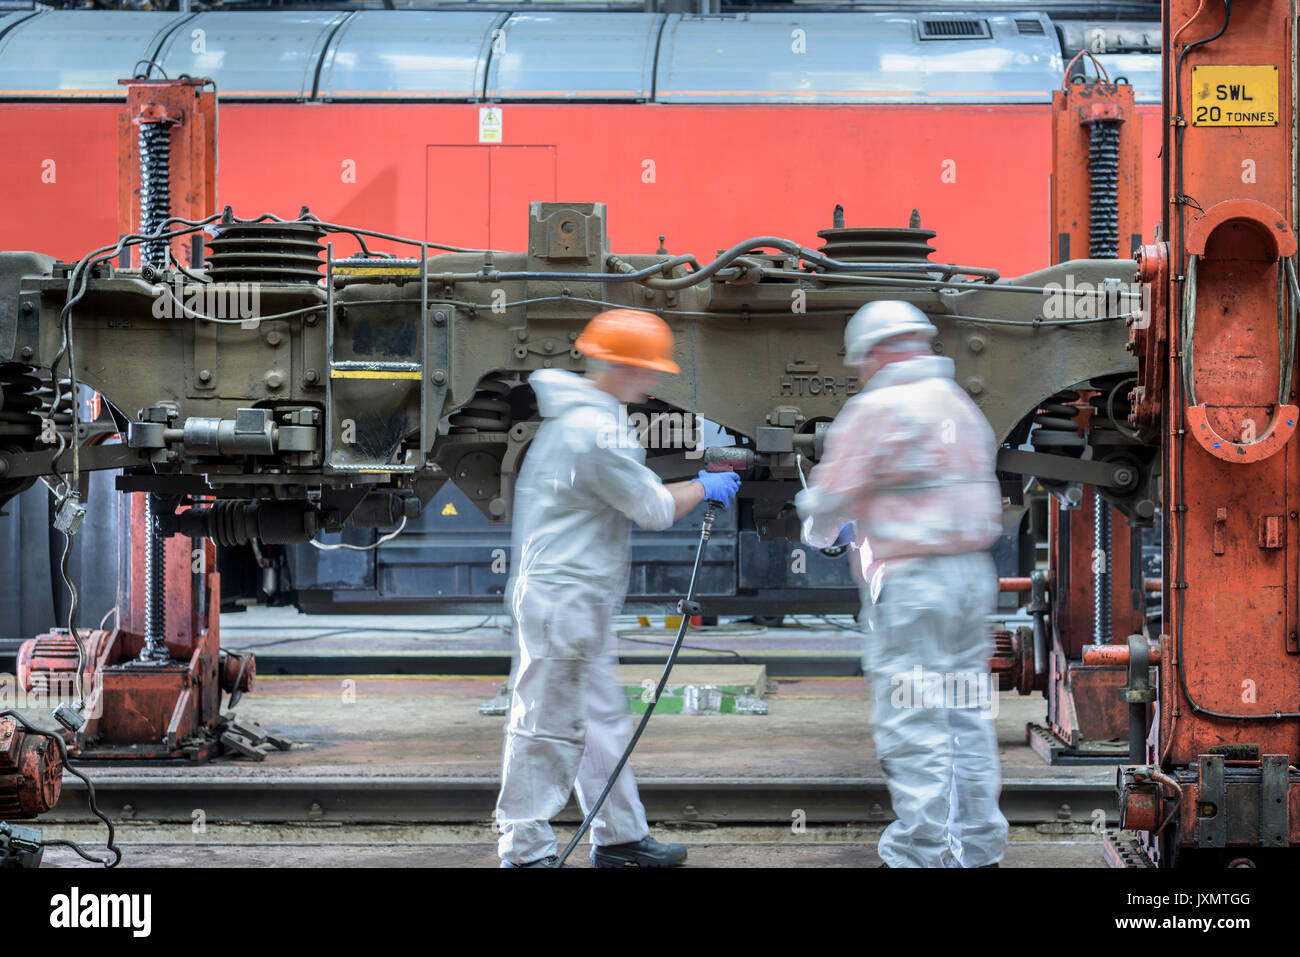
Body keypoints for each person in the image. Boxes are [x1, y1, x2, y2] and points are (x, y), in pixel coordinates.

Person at [496, 308, 741, 868]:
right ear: (623, 367)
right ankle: (526, 853)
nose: (655, 381)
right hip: (567, 599)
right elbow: (652, 507)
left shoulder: (581, 417)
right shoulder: (596, 428)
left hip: (576, 600)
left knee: (600, 719)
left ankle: (622, 840)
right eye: (648, 369)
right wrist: (703, 485)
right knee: (545, 725)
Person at [794, 300, 1008, 869]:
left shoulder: (877, 407)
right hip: (971, 578)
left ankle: (922, 854)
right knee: (965, 714)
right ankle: (979, 848)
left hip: (914, 584)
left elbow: (832, 499)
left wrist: (814, 520)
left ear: (876, 352)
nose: (860, 370)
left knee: (913, 720)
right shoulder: (958, 403)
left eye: (861, 359)